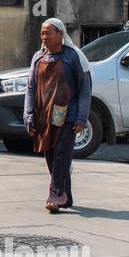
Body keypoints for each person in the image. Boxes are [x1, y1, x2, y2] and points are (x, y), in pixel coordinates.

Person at [23, 17, 92, 213]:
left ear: (60, 35)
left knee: (61, 157)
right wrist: (28, 114)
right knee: (52, 157)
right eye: (42, 33)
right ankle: (66, 196)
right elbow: (31, 88)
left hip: (66, 116)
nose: (44, 37)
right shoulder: (38, 57)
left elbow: (85, 90)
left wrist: (81, 118)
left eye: (48, 33)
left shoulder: (73, 57)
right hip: (44, 116)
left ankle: (54, 197)